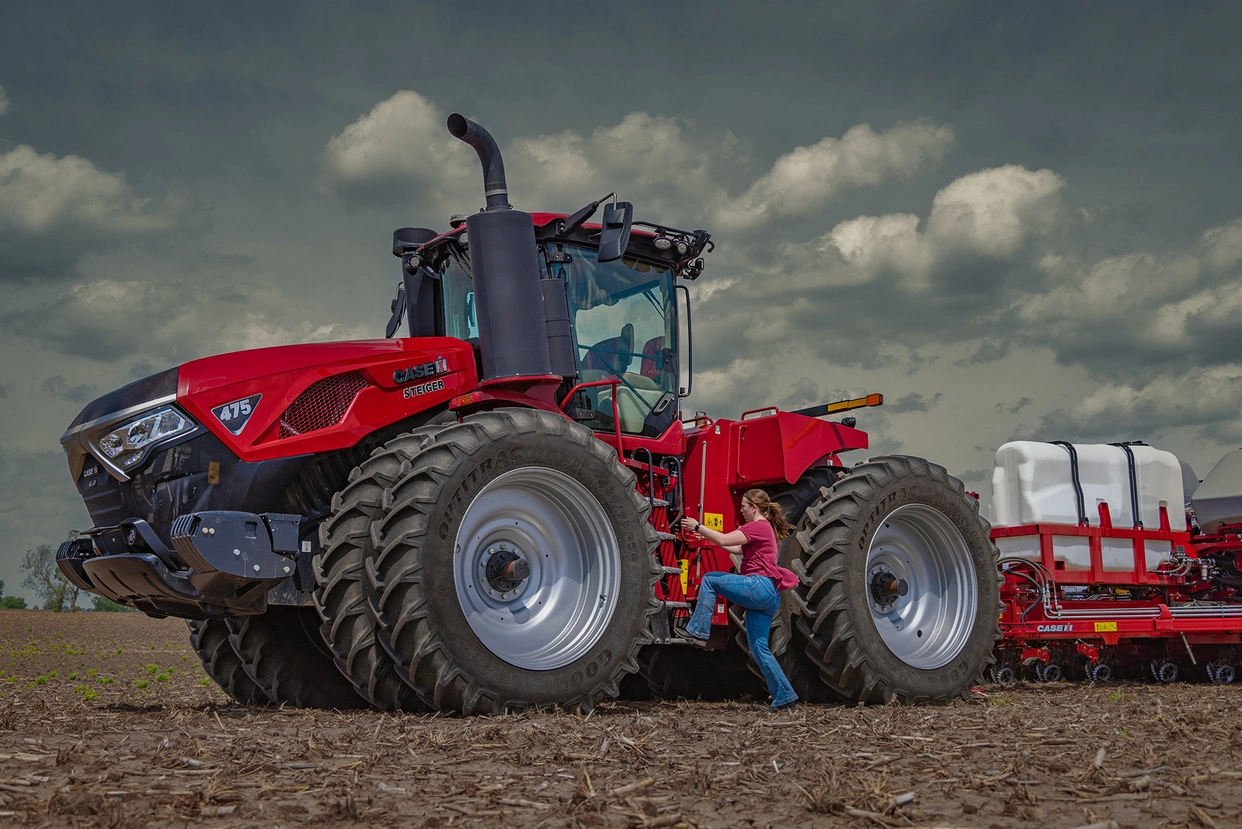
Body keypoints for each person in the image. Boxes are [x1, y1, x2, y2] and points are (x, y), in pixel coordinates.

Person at [677, 490, 800, 712]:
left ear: (754, 507)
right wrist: (706, 536)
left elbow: (725, 538)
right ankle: (785, 697)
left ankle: (698, 630)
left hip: (759, 587)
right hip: (769, 595)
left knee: (710, 580)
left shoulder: (758, 526)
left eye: (744, 506)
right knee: (759, 648)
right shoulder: (764, 529)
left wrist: (697, 526)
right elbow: (734, 547)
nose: (741, 510)